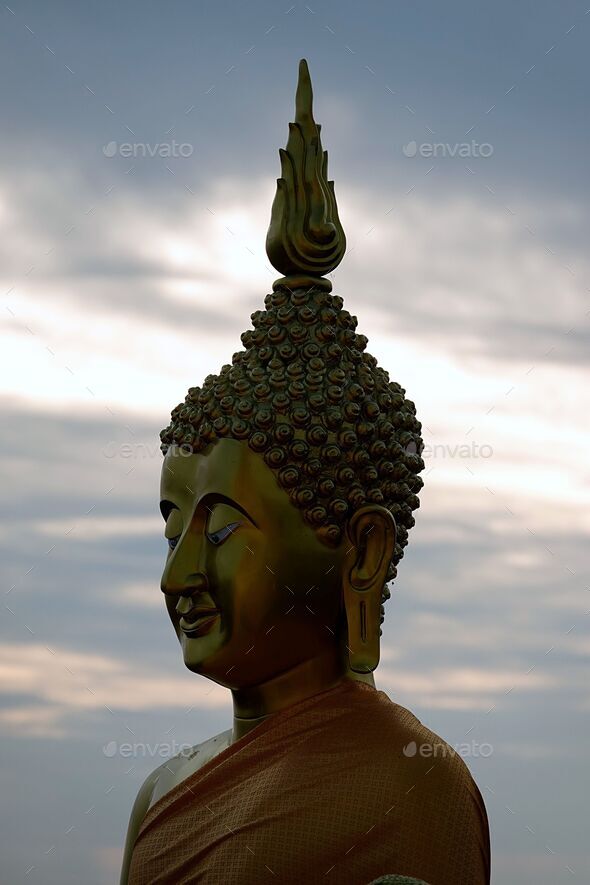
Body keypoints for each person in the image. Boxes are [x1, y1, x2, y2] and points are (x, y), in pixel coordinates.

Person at [120, 59, 490, 885]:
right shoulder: (161, 794)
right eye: (172, 526)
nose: (175, 573)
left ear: (360, 550)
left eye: (219, 526)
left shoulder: (408, 785)